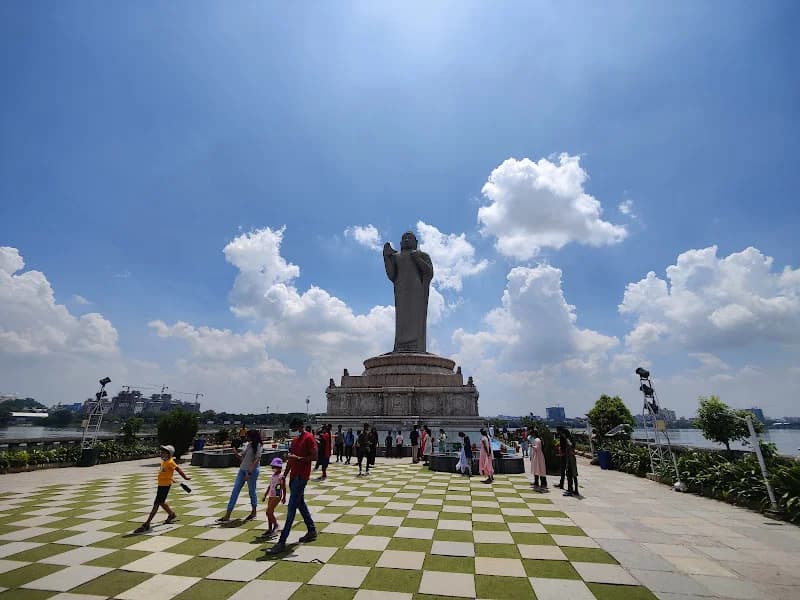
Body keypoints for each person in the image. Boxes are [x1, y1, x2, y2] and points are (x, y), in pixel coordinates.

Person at [266, 418, 318, 555]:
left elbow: (314, 455)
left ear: (301, 427)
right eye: (293, 430)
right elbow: (290, 458)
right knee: (300, 504)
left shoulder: (309, 437)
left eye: (295, 429)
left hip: (302, 476)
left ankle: (282, 542)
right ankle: (312, 530)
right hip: (293, 477)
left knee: (291, 510)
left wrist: (299, 459)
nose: (294, 432)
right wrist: (285, 474)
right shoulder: (295, 441)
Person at [134, 444, 191, 533]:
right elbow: (165, 473)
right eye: (162, 452)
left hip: (165, 486)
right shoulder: (164, 461)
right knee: (161, 502)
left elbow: (178, 469)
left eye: (164, 452)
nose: (162, 454)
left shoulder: (170, 462)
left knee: (156, 504)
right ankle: (171, 514)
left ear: (169, 454)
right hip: (161, 485)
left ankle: (147, 524)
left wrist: (185, 477)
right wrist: (171, 478)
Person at [219, 429, 263, 522]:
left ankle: (254, 511)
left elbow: (257, 460)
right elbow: (242, 458)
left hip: (251, 472)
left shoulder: (258, 446)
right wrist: (235, 453)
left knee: (252, 491)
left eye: (248, 436)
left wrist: (250, 473)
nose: (246, 437)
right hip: (242, 470)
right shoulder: (248, 445)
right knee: (235, 491)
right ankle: (228, 514)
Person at [260, 457, 286, 538]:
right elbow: (270, 486)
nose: (273, 468)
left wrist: (284, 497)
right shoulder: (273, 476)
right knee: (268, 512)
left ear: (279, 468)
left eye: (274, 467)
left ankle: (276, 525)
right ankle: (270, 528)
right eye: (272, 467)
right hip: (271, 495)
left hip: (277, 495)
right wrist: (265, 494)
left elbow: (284, 487)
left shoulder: (281, 477)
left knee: (269, 511)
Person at [563, 430, 580, 497]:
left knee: (569, 475)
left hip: (570, 459)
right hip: (572, 459)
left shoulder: (568, 439)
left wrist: (570, 450)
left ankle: (570, 490)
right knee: (574, 475)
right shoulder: (571, 438)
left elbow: (570, 445)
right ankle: (576, 490)